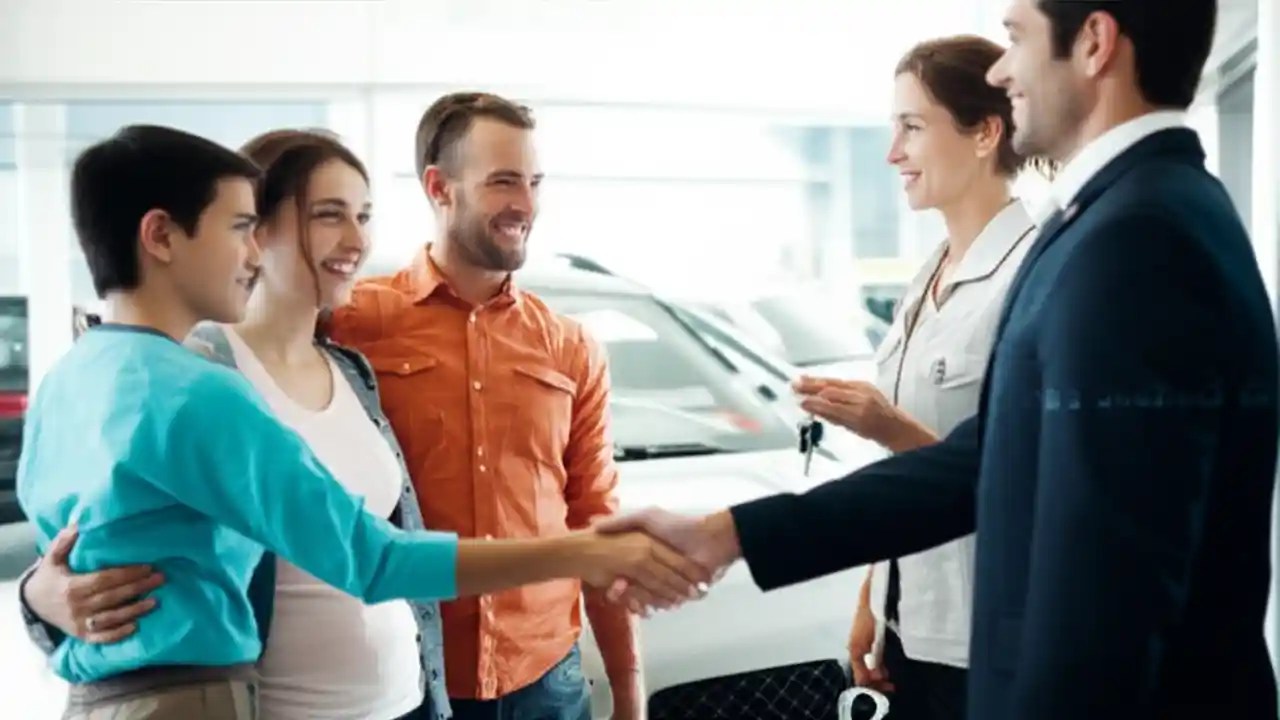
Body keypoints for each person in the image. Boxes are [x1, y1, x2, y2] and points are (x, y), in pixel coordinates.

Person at [604, 1, 1280, 718]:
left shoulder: (1137, 239)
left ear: (1093, 43)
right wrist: (728, 534)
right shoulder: (1119, 218)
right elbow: (990, 458)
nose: (1000, 67)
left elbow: (1108, 593)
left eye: (1016, 37)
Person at [16, 124, 707, 720]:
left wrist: (40, 596)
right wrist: (580, 551)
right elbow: (374, 559)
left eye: (365, 215)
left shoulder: (342, 368)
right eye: (241, 227)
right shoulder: (204, 387)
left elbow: (87, 531)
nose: (251, 252)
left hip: (412, 695)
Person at [323, 91, 644, 720]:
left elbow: (597, 520)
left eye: (534, 182)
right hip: (409, 683)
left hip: (547, 681)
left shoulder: (571, 347)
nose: (525, 204)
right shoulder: (351, 323)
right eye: (503, 182)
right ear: (440, 187)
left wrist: (630, 690)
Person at [794, 35, 1038, 720]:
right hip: (912, 630)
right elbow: (912, 484)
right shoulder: (926, 275)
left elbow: (1024, 483)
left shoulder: (1033, 276)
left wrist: (885, 425)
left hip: (989, 636)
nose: (891, 153)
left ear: (986, 132)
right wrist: (875, 597)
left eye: (912, 127)